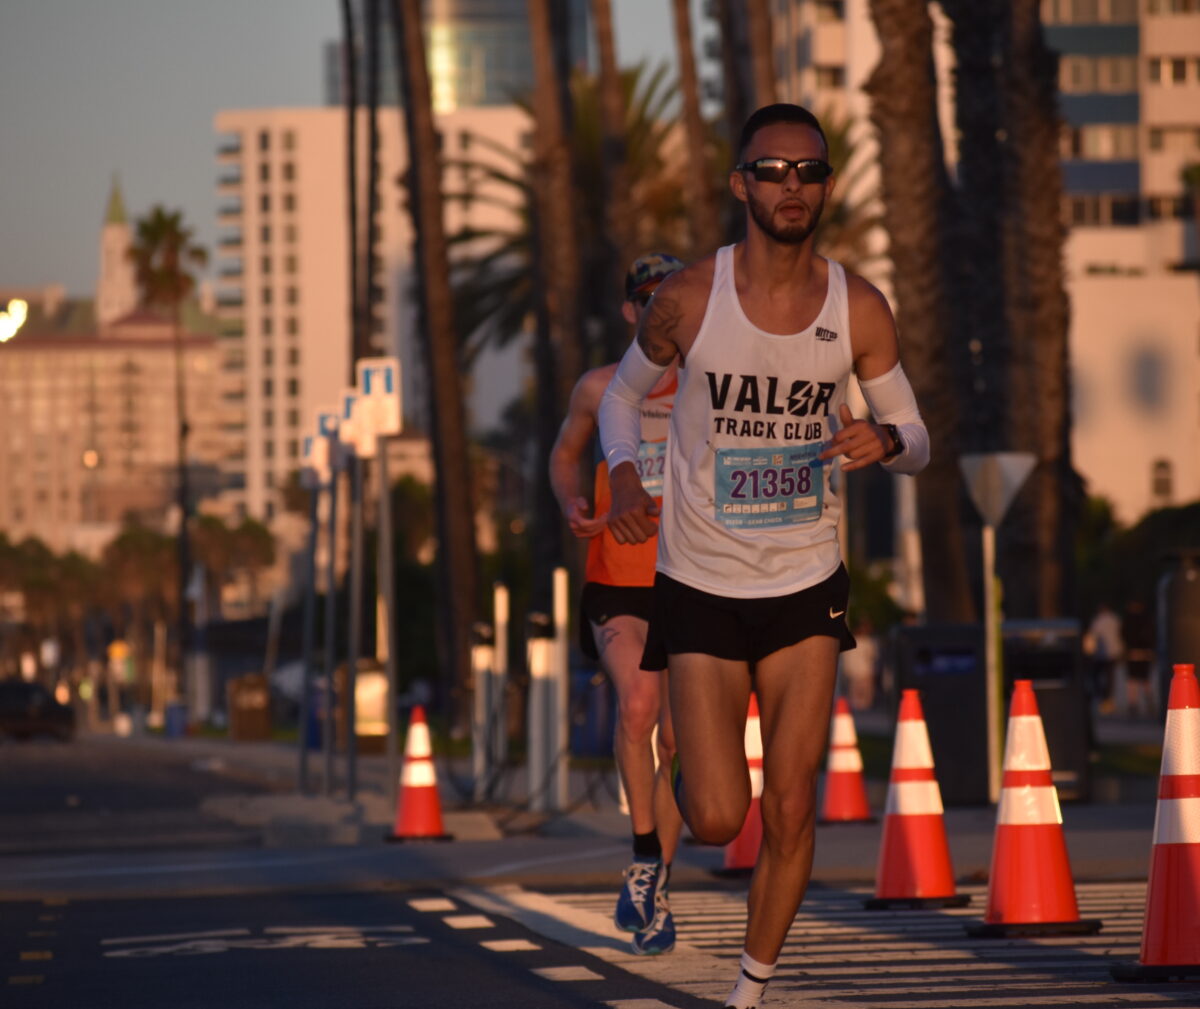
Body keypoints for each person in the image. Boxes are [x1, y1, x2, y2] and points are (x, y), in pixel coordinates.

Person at [599, 104, 929, 1008]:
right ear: (740, 182)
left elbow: (917, 431)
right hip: (700, 580)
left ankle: (748, 993)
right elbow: (619, 402)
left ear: (826, 187)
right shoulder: (688, 299)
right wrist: (625, 476)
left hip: (804, 581)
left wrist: (885, 444)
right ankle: (681, 769)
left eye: (810, 172)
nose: (794, 186)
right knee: (717, 815)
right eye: (774, 170)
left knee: (788, 808)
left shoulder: (857, 306)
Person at [548, 252, 687, 956]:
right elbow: (565, 454)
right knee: (637, 706)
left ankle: (655, 885)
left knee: (680, 742)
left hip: (695, 579)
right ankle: (641, 854)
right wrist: (570, 498)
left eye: (673, 297)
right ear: (632, 311)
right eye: (647, 299)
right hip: (620, 580)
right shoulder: (600, 387)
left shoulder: (713, 387)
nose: (660, 309)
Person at [1085, 602, 1122, 714]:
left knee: (1097, 676)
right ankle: (1108, 699)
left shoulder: (1098, 621)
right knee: (1110, 676)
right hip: (1113, 652)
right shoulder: (1115, 619)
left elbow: (1092, 636)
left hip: (1101, 653)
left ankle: (1102, 698)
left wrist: (1089, 651)